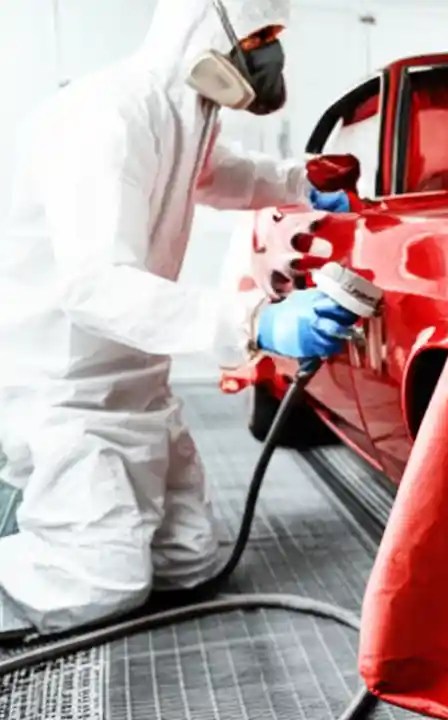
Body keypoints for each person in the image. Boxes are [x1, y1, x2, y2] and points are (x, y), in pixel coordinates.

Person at [0, 0, 356, 634]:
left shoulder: (188, 111)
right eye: (259, 36)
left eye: (275, 36)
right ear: (205, 27)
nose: (271, 54)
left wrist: (299, 184)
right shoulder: (105, 116)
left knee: (190, 561)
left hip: (135, 378)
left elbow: (220, 175)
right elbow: (95, 287)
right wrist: (256, 320)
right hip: (61, 388)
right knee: (98, 584)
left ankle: (79, 525)